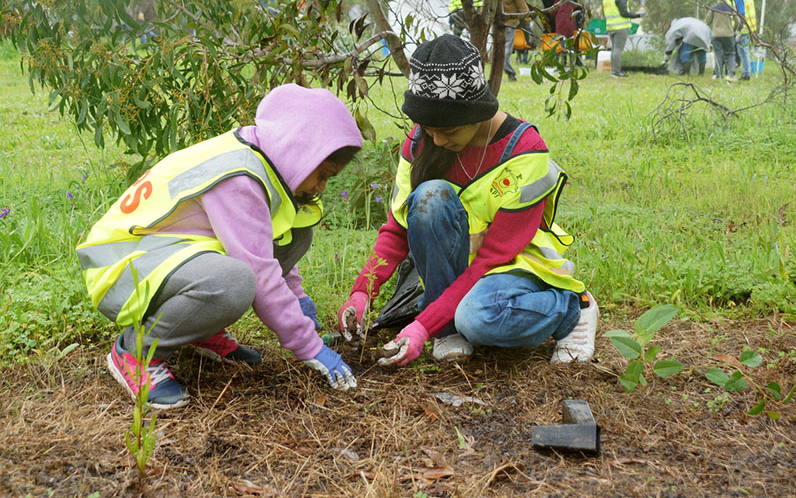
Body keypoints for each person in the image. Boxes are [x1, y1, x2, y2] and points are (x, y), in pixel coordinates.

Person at [77, 84, 363, 409]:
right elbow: (260, 271)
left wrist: (299, 303)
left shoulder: (264, 160)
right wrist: (309, 346)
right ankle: (135, 353)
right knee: (235, 283)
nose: (322, 187)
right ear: (299, 149)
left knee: (297, 234)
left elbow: (269, 244)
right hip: (121, 266)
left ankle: (198, 328)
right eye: (322, 174)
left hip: (163, 254)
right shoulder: (240, 177)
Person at [337, 34, 598, 367]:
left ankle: (572, 308)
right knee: (430, 196)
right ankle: (447, 326)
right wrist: (362, 292)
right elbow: (396, 231)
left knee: (478, 320)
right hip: (466, 275)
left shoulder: (524, 150)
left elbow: (491, 258)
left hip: (515, 266)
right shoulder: (420, 142)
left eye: (448, 130)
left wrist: (421, 326)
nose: (436, 139)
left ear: (477, 113)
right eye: (428, 128)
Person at [602, 0, 646, 78]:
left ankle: (614, 70)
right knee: (618, 49)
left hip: (610, 27)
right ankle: (616, 71)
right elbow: (624, 13)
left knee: (614, 49)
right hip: (620, 27)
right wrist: (637, 15)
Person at [706, 0, 740, 81]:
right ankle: (731, 75)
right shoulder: (730, 8)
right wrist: (733, 29)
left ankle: (717, 75)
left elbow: (708, 21)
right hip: (728, 35)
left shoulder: (713, 8)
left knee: (718, 54)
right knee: (730, 54)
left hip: (716, 35)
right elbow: (737, 21)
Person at [502, 0, 531, 82]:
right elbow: (521, 3)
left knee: (502, 51)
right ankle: (509, 72)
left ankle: (506, 73)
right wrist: (527, 18)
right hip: (506, 22)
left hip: (505, 23)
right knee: (505, 51)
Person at [729, 0, 757, 81]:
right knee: (745, 51)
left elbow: (741, 14)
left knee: (743, 52)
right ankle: (747, 72)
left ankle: (746, 74)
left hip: (744, 28)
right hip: (750, 26)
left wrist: (739, 30)